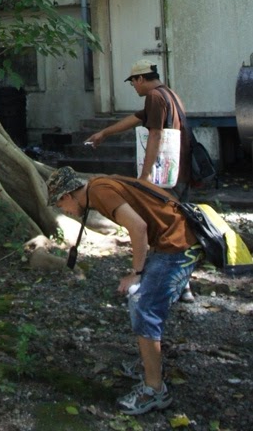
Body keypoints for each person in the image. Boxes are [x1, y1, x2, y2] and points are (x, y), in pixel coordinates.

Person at [46, 166, 202, 416]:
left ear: (66, 196)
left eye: (60, 205)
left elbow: (138, 227)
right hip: (174, 239)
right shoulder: (100, 184)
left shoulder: (99, 192)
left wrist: (136, 273)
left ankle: (155, 390)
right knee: (142, 304)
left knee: (144, 307)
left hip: (176, 244)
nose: (64, 211)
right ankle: (150, 365)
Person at [86, 61, 195, 301]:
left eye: (133, 82)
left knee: (160, 227)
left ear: (140, 79)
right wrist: (104, 133)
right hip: (182, 172)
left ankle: (165, 285)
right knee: (177, 224)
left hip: (166, 175)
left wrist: (145, 176)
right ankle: (183, 284)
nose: (134, 87)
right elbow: (136, 119)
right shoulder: (169, 94)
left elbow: (155, 134)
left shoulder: (154, 97)